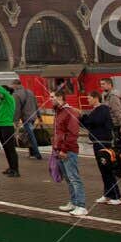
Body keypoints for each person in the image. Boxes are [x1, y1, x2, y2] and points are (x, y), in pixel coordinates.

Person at [49, 87, 86, 217]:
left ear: (60, 98)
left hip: (68, 151)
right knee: (68, 179)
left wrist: (64, 149)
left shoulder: (69, 112)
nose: (50, 99)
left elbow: (72, 134)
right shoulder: (58, 112)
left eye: (52, 97)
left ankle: (81, 205)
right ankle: (74, 202)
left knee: (74, 178)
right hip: (60, 150)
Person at [79, 99, 121, 205]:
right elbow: (88, 124)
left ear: (95, 98)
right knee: (103, 171)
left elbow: (94, 121)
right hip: (98, 142)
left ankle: (117, 196)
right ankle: (108, 194)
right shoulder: (97, 110)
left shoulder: (102, 109)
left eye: (89, 97)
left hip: (103, 143)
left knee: (107, 170)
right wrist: (82, 118)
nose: (88, 99)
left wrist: (84, 117)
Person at [0, 82, 19, 176]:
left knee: (11, 148)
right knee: (6, 148)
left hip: (7, 126)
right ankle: (11, 167)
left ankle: (15, 170)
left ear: (5, 92)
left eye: (0, 93)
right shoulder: (2, 101)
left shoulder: (10, 98)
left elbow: (1, 90)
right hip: (0, 126)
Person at [14, 81, 41, 159]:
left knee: (31, 136)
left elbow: (17, 109)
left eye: (13, 85)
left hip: (26, 118)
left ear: (15, 85)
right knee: (29, 135)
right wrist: (39, 116)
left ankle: (37, 154)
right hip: (33, 117)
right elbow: (36, 105)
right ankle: (32, 153)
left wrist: (16, 121)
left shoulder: (16, 94)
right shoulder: (30, 92)